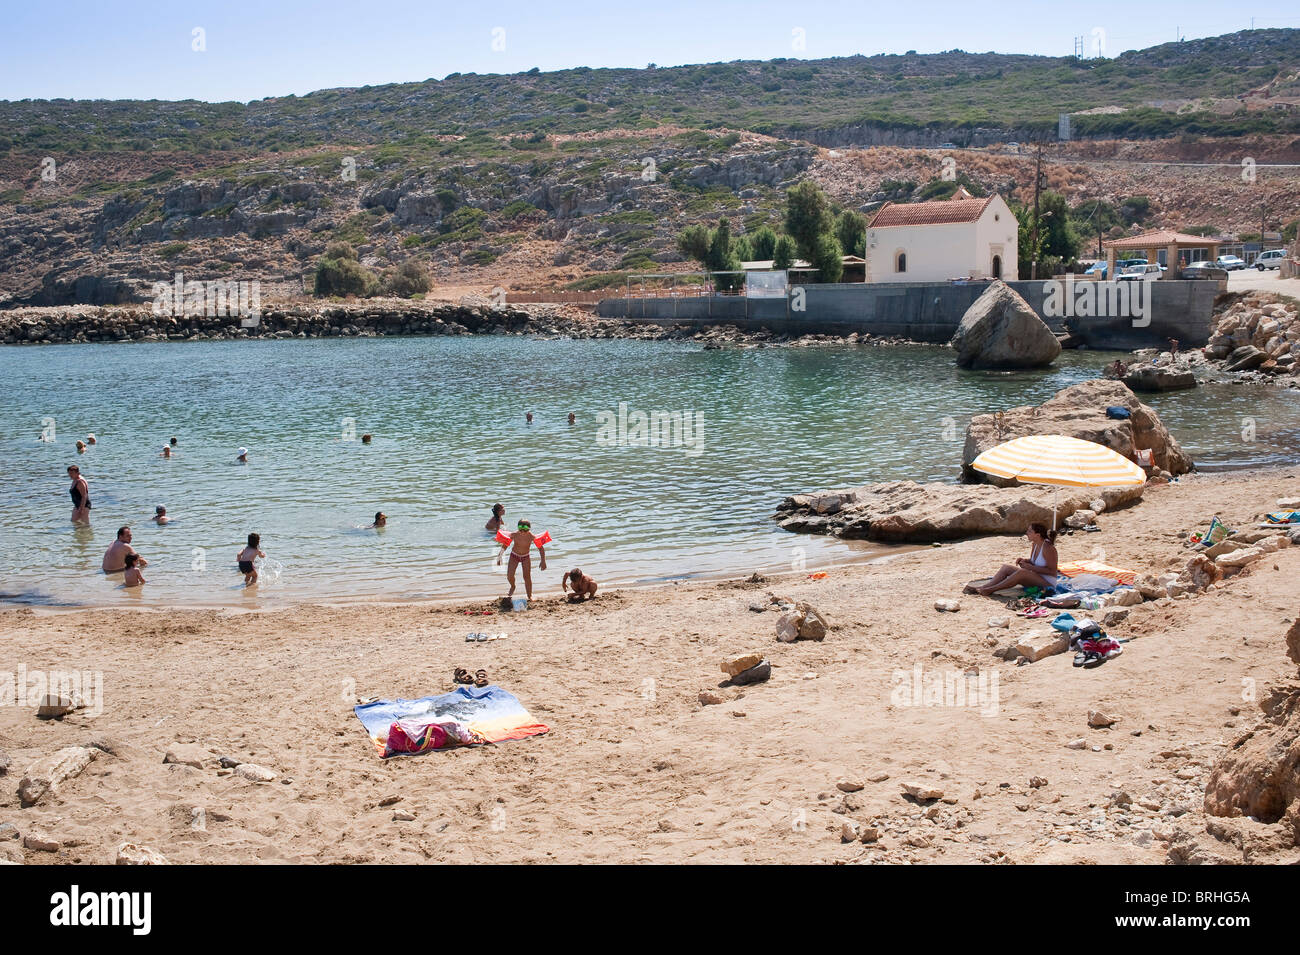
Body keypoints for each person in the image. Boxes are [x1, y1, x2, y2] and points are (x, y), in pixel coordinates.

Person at [972, 522, 1060, 596]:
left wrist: (1030, 568)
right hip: (1036, 577)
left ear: (1037, 535)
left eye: (1030, 531)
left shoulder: (1048, 548)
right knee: (1006, 567)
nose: (1027, 533)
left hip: (1048, 582)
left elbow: (1052, 571)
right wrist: (1025, 560)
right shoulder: (1035, 544)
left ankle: (991, 590)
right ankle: (985, 587)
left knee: (1022, 572)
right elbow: (1035, 561)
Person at [496, 519, 546, 602]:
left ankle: (529, 596)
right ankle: (513, 586)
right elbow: (505, 545)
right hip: (514, 556)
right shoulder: (515, 535)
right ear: (518, 528)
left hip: (525, 557)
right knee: (510, 575)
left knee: (527, 577)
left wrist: (543, 561)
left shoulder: (531, 536)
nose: (522, 531)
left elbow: (541, 548)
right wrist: (499, 556)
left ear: (529, 529)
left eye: (525, 529)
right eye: (520, 529)